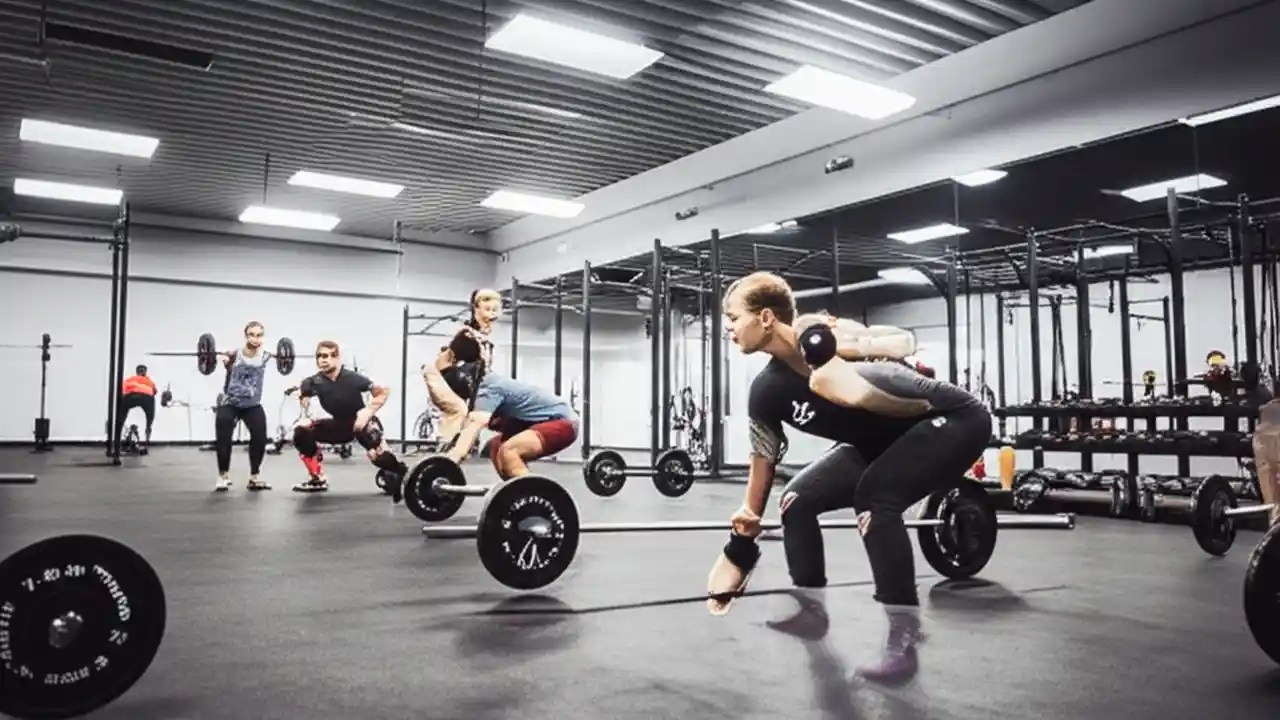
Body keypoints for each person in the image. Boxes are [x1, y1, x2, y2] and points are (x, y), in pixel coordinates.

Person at [707, 271, 991, 686]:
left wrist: (847, 345)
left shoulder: (826, 339)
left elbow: (896, 348)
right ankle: (812, 611)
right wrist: (745, 530)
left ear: (765, 317)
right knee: (796, 500)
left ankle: (904, 633)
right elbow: (762, 456)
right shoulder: (766, 390)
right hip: (880, 440)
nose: (728, 328)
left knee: (876, 499)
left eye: (732, 318)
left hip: (952, 419)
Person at [438, 331, 578, 479]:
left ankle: (532, 495)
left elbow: (473, 428)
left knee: (509, 451)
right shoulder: (475, 393)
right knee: (495, 447)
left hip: (561, 422)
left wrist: (450, 461)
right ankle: (512, 492)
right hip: (535, 423)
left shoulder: (488, 388)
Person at [293, 340, 409, 496]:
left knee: (378, 456)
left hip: (361, 422)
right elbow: (305, 388)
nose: (323, 360)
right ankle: (317, 477)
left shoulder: (352, 378)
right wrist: (303, 397)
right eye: (319, 356)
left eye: (327, 356)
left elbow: (382, 392)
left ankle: (406, 475)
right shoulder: (315, 381)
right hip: (340, 426)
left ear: (337, 358)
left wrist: (367, 412)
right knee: (302, 432)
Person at [214, 321, 272, 491]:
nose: (255, 338)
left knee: (260, 436)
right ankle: (223, 475)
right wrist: (225, 361)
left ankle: (255, 476)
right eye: (252, 335)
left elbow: (285, 362)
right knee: (223, 437)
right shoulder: (234, 355)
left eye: (259, 335)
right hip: (230, 402)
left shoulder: (266, 356)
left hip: (252, 405)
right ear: (246, 336)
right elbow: (224, 364)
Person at [117, 364, 158, 454]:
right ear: (145, 372)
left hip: (130, 396)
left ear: (137, 372)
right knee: (149, 420)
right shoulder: (149, 380)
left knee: (121, 417)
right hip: (147, 397)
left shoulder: (129, 379)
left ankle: (117, 443)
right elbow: (155, 391)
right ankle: (146, 444)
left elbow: (122, 390)